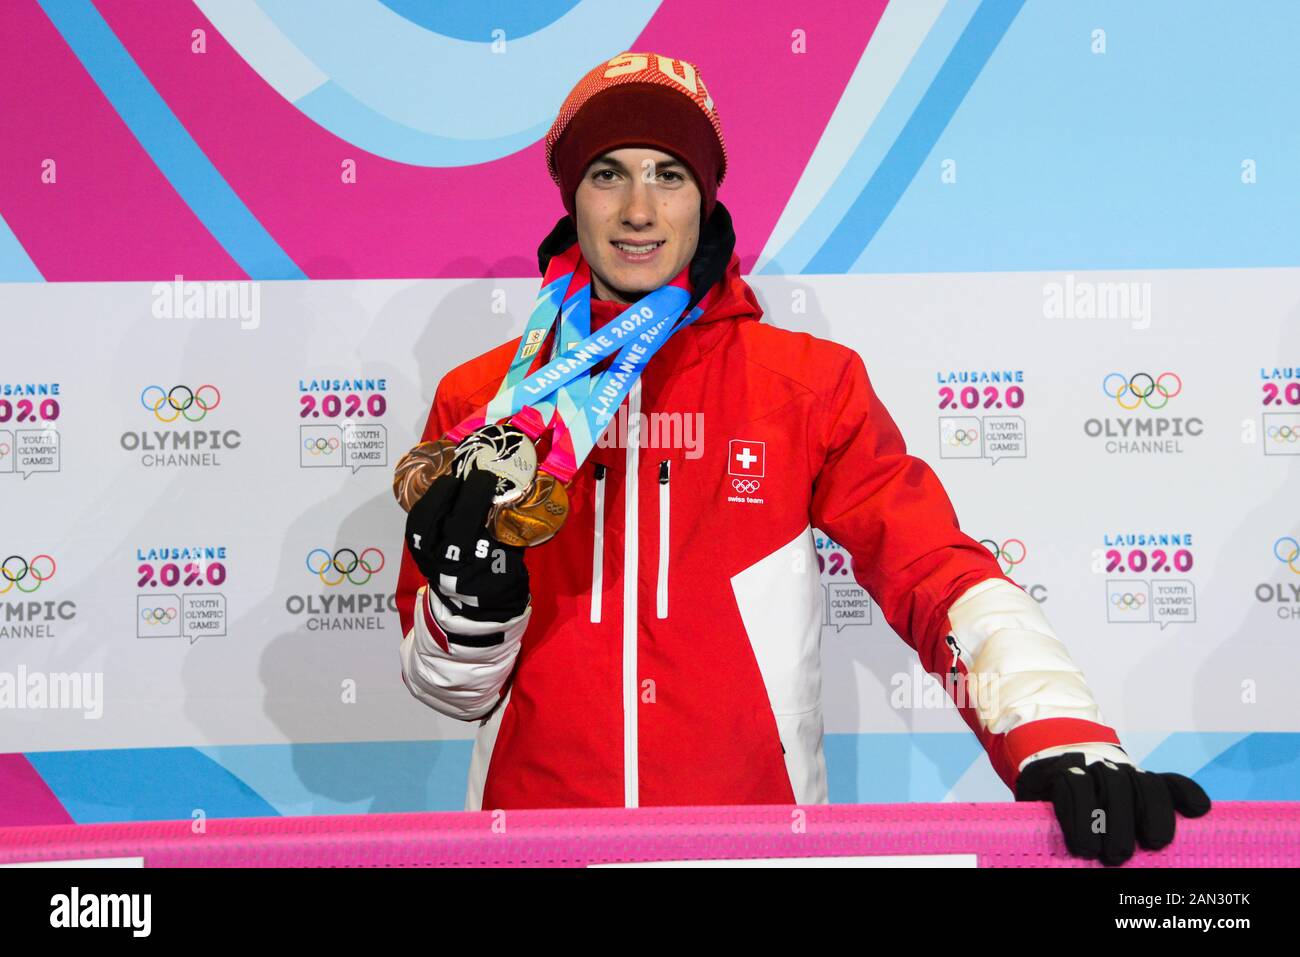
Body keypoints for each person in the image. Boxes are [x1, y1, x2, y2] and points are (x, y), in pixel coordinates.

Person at [395, 51, 1210, 865]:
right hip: (538, 845)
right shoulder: (488, 405)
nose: (639, 209)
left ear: (705, 197)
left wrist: (1059, 733)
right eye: (609, 174)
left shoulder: (806, 386)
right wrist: (471, 615)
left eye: (669, 175)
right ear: (573, 196)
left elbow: (937, 572)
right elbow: (446, 688)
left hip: (752, 850)